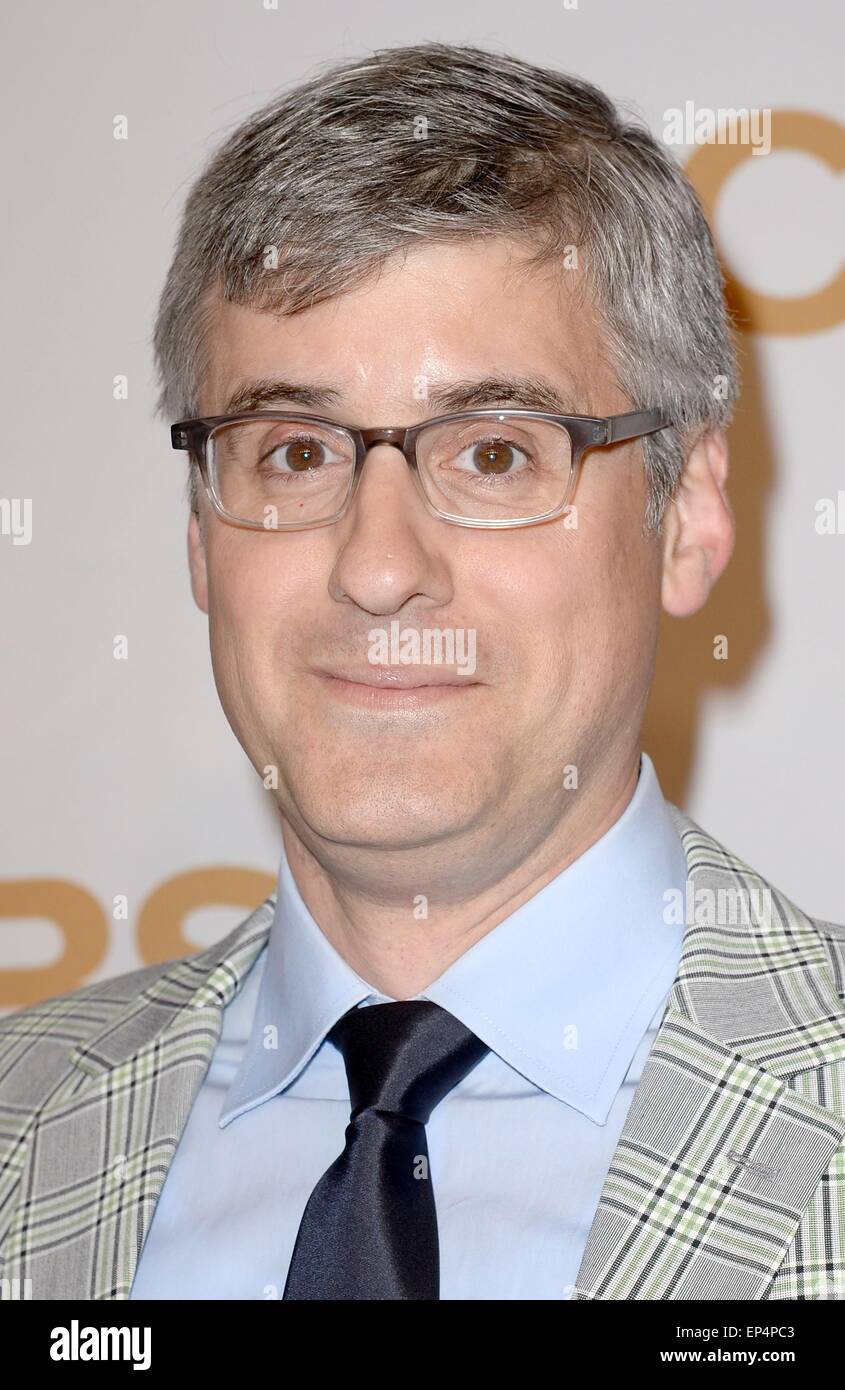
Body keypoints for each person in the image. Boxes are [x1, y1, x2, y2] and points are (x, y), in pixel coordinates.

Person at [2, 42, 844, 1302]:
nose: (378, 567)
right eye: (292, 451)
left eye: (494, 453)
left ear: (686, 516)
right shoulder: (22, 1116)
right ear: (199, 533)